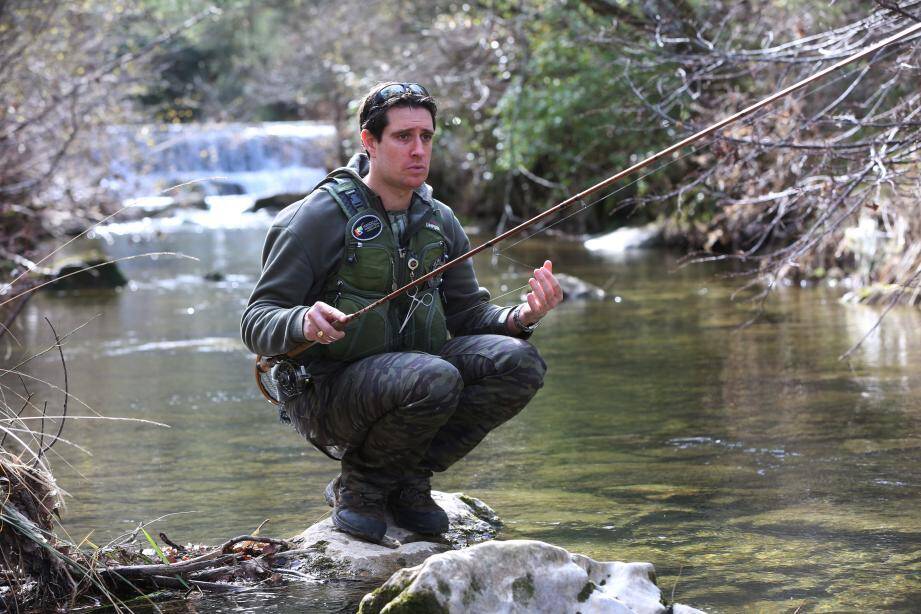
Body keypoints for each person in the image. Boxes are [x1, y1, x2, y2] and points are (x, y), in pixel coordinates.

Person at [241, 82, 562, 544]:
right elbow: (255, 321)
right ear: (369, 142)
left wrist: (521, 318)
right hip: (328, 393)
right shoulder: (313, 219)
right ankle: (362, 488)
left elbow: (469, 314)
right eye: (403, 137)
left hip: (420, 376)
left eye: (426, 137)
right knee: (434, 375)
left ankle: (408, 478)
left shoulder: (440, 220)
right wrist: (302, 321)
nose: (418, 150)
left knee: (518, 362)